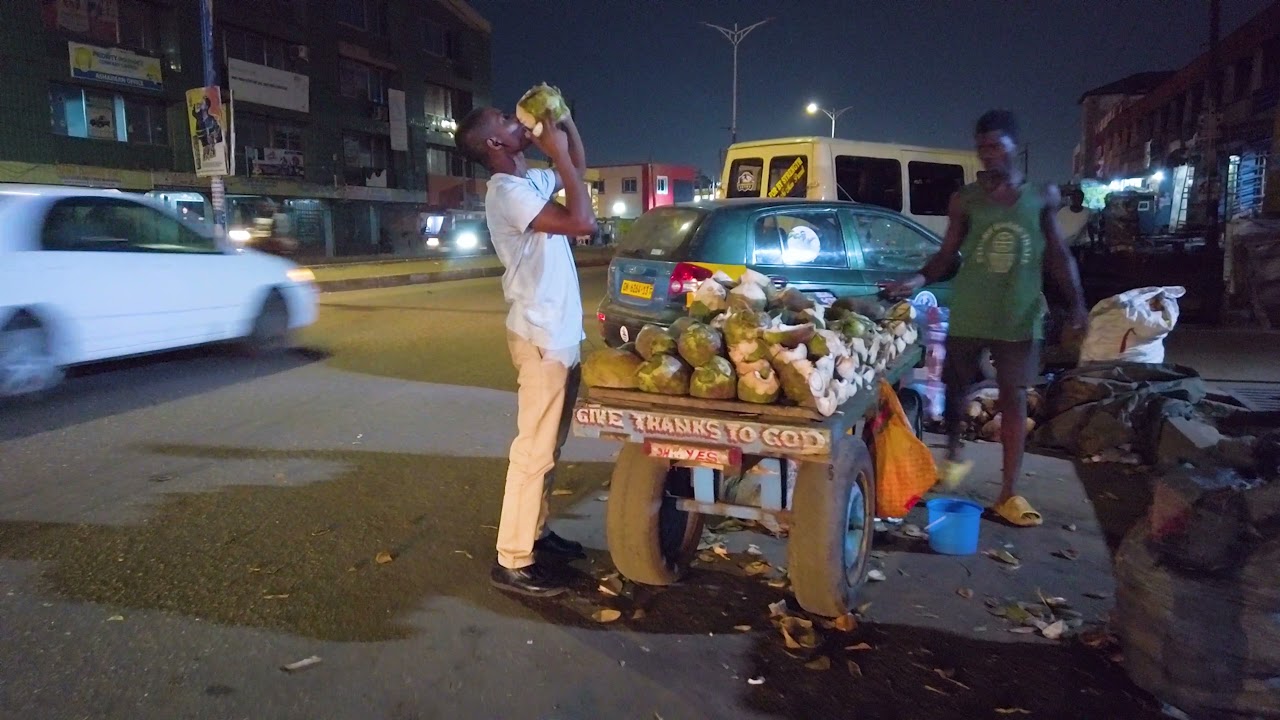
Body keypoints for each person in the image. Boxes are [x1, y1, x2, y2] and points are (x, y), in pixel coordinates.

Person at [881, 110, 1087, 528]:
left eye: (995, 146)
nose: (987, 155)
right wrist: (918, 278)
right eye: (981, 147)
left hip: (1019, 317)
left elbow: (1058, 255)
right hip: (971, 311)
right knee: (956, 392)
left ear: (1014, 146)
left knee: (1014, 399)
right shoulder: (965, 199)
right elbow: (947, 255)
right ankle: (954, 456)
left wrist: (1078, 304)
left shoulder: (1041, 195)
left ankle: (1009, 491)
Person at [454, 103, 597, 596]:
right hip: (541, 337)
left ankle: (536, 533)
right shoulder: (509, 193)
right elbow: (583, 222)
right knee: (533, 451)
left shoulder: (528, 178)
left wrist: (566, 129)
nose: (519, 124)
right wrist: (554, 149)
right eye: (506, 123)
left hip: (558, 334)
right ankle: (513, 559)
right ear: (495, 144)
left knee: (549, 448)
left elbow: (576, 173)